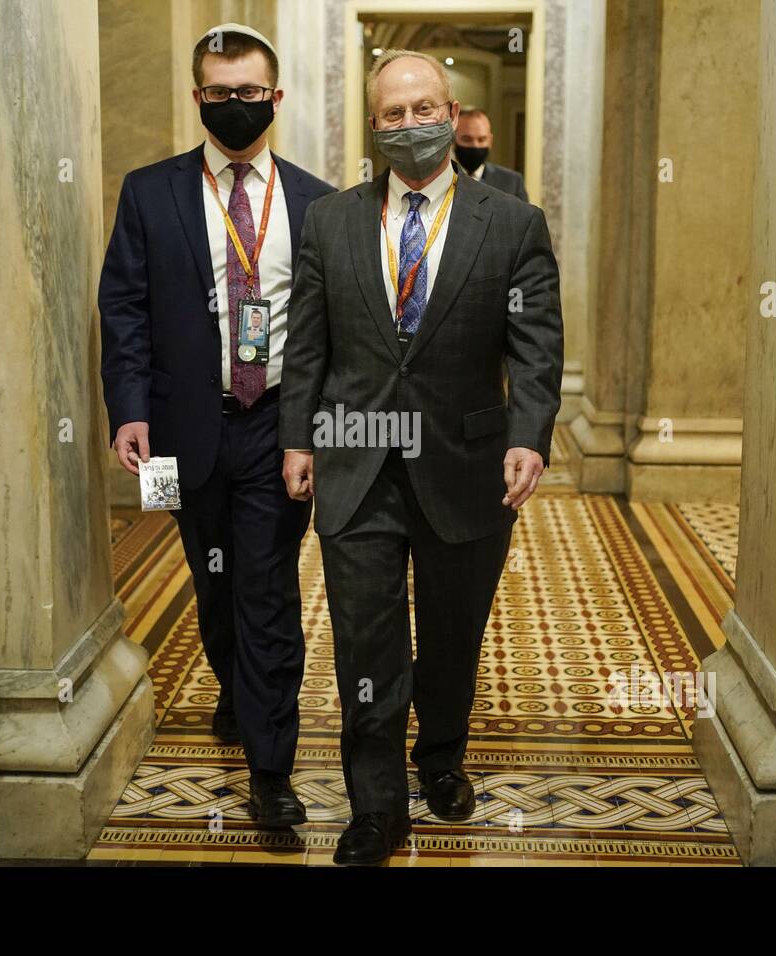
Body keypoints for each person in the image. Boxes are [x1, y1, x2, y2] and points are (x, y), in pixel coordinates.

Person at [279, 49, 563, 864]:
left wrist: (528, 435)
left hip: (465, 467)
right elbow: (308, 344)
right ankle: (375, 807)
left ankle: (439, 758)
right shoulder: (330, 221)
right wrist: (298, 436)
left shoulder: (512, 222)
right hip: (355, 461)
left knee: (451, 635)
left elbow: (536, 347)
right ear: (374, 126)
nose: (412, 124)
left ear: (452, 109)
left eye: (426, 108)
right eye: (394, 114)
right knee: (366, 643)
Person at [99, 23, 335, 829]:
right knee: (215, 584)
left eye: (249, 92)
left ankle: (272, 768)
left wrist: (315, 433)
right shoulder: (148, 191)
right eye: (217, 92)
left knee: (267, 595)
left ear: (275, 96)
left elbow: (331, 330)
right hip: (182, 432)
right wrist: (128, 410)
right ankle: (238, 693)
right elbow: (123, 308)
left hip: (277, 426)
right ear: (198, 97)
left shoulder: (317, 202)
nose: (234, 105)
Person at [453, 108, 529, 201]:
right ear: (453, 140)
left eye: (482, 139)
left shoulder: (512, 182)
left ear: (490, 141)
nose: (475, 145)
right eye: (466, 139)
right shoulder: (441, 179)